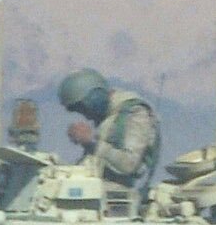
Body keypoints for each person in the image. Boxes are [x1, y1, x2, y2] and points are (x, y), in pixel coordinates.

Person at [54, 68, 163, 203]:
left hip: (118, 199)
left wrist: (91, 142)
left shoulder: (135, 114)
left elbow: (129, 164)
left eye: (84, 109)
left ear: (93, 98)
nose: (86, 116)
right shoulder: (110, 118)